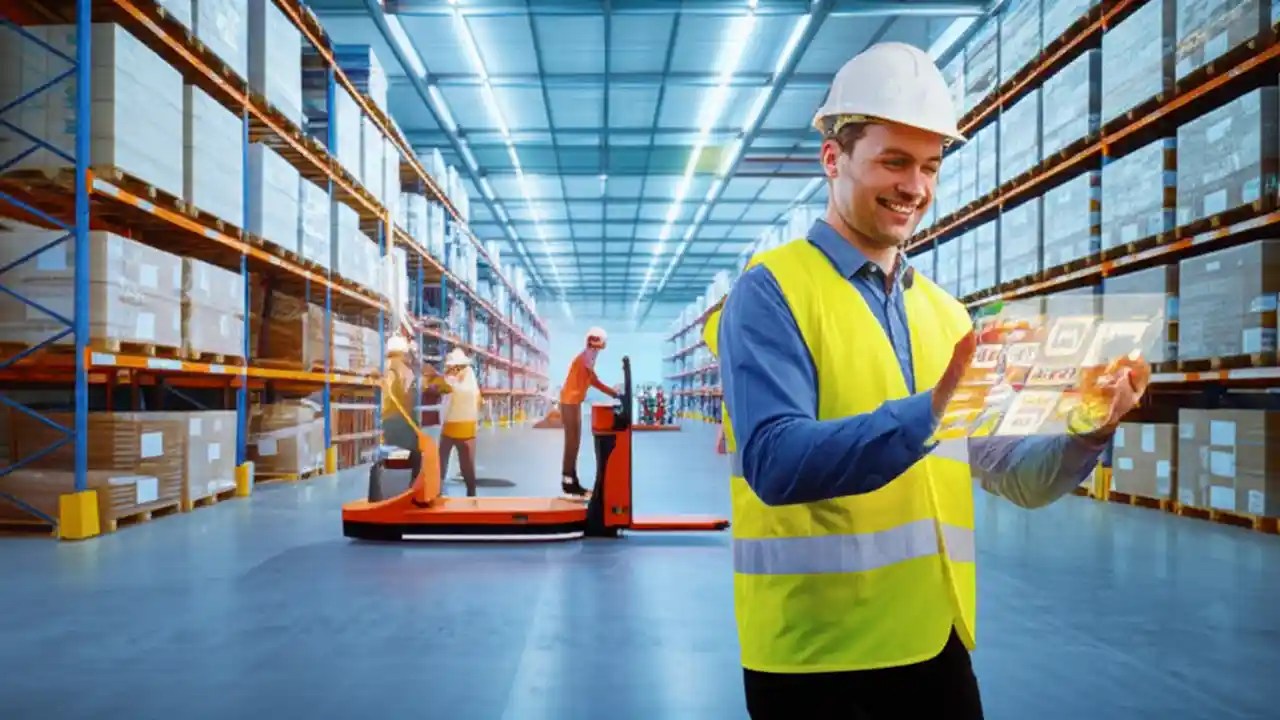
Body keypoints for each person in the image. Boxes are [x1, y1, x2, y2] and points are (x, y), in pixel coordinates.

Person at [707, 42, 1151, 720]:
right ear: (834, 160)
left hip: (935, 645)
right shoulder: (771, 293)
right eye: (893, 161)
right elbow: (775, 461)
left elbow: (1010, 473)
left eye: (929, 166)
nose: (915, 186)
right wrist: (932, 409)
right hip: (817, 658)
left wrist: (1088, 431)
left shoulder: (945, 314)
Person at [558, 326, 619, 497]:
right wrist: (612, 392)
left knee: (574, 443)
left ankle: (571, 479)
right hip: (569, 402)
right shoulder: (586, 357)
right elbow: (593, 380)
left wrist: (612, 392)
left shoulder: (589, 357)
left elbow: (592, 379)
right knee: (572, 442)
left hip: (573, 402)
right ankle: (568, 481)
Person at [368, 334, 422, 502]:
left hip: (390, 420)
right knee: (416, 454)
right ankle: (414, 487)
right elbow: (407, 395)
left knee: (392, 454)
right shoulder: (402, 369)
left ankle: (384, 491)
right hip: (401, 421)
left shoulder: (386, 367)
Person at [425, 348, 483, 497]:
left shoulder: (458, 378)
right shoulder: (470, 377)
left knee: (442, 460)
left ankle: (437, 490)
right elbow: (477, 400)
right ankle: (471, 493)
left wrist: (430, 378)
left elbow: (442, 387)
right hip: (468, 427)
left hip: (454, 425)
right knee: (467, 465)